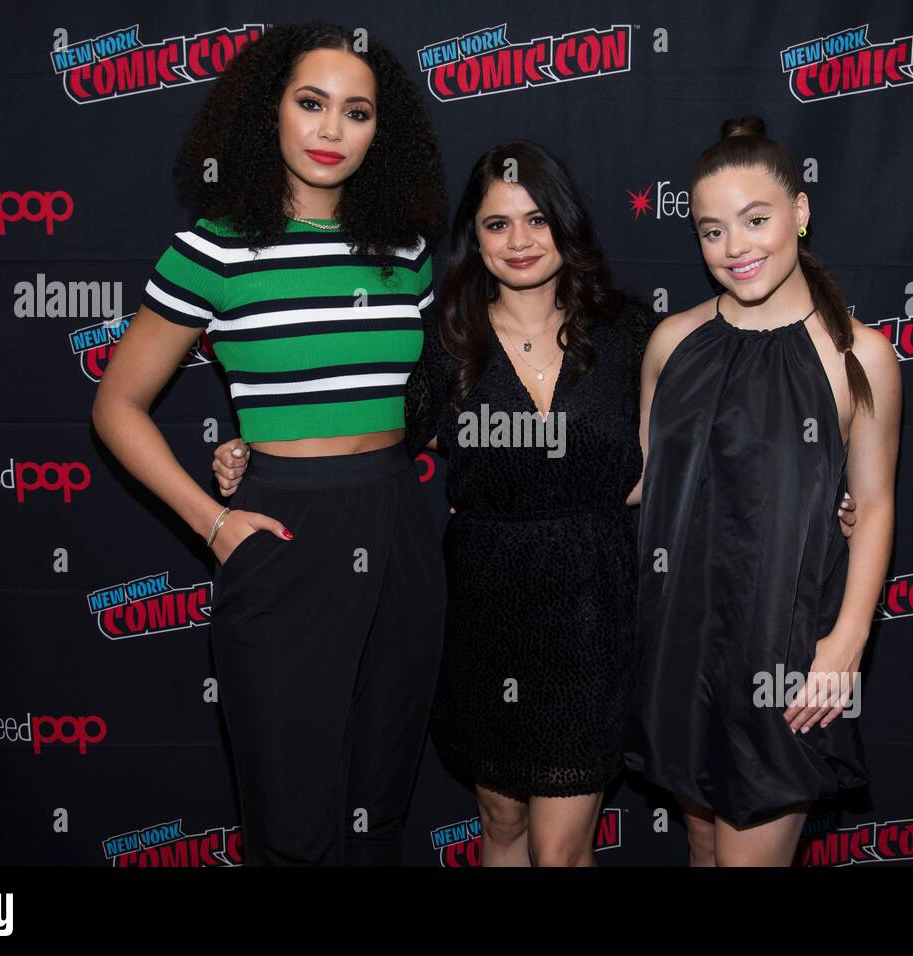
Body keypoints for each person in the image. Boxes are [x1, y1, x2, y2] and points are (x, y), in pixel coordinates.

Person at [215, 140, 862, 866]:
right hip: (482, 613)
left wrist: (824, 497)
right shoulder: (444, 341)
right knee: (500, 824)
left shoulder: (634, 334)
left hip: (596, 615)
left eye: (536, 220)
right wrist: (259, 456)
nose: (519, 241)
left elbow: (697, 455)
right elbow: (367, 443)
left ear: (567, 224)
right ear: (475, 236)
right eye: (497, 225)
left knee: (559, 852)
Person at [91, 22, 448, 865]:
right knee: (291, 829)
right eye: (311, 104)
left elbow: (414, 399)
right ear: (268, 114)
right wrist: (214, 521)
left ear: (380, 132)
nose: (332, 130)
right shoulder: (211, 249)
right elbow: (117, 406)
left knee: (379, 811)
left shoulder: (409, 253)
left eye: (357, 113)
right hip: (284, 534)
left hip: (400, 527)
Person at [624, 115, 901, 867]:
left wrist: (845, 644)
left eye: (756, 220)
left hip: (785, 655)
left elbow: (873, 503)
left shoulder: (860, 355)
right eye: (713, 231)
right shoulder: (671, 343)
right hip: (677, 646)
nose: (736, 247)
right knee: (706, 846)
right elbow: (644, 487)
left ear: (800, 212)